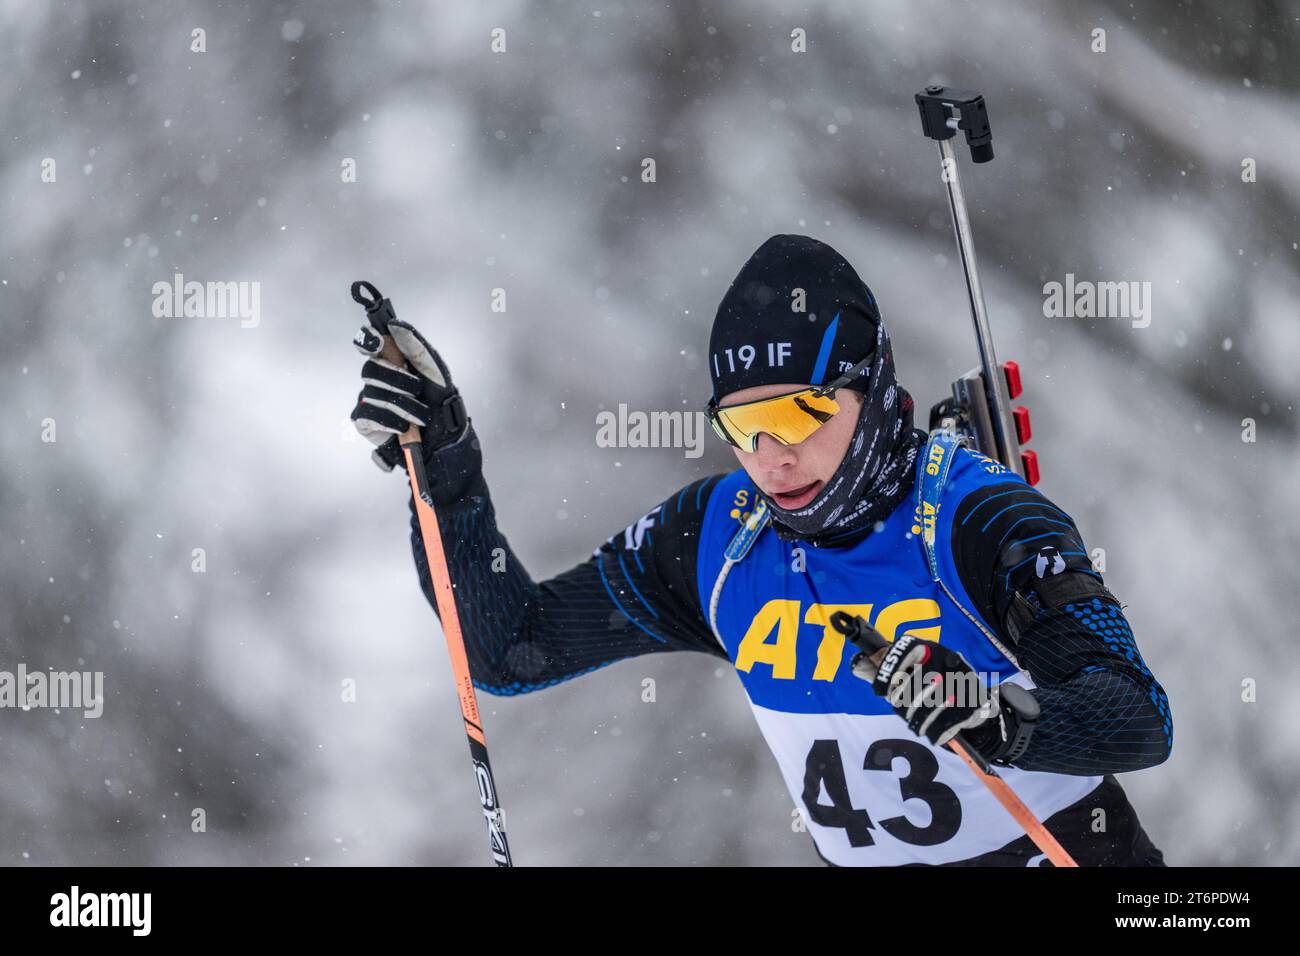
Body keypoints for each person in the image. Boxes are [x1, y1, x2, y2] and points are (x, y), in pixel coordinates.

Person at [349, 233, 1173, 866]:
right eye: (743, 428)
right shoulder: (718, 537)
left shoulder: (977, 516)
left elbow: (1138, 715)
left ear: (873, 387)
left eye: (800, 414)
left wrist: (1003, 718)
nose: (772, 458)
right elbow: (510, 646)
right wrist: (446, 467)